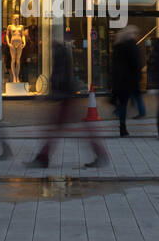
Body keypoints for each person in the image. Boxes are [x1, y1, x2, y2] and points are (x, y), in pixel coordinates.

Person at [29, 34, 106, 169]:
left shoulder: (59, 55)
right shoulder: (62, 54)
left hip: (65, 99)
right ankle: (43, 158)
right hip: (67, 97)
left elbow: (59, 78)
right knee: (63, 129)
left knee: (56, 130)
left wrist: (48, 96)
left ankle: (43, 158)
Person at [110, 26, 142, 137]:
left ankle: (122, 126)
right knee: (129, 100)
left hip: (119, 80)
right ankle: (137, 113)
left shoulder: (117, 47)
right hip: (128, 80)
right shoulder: (131, 46)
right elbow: (136, 63)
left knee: (123, 103)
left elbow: (114, 65)